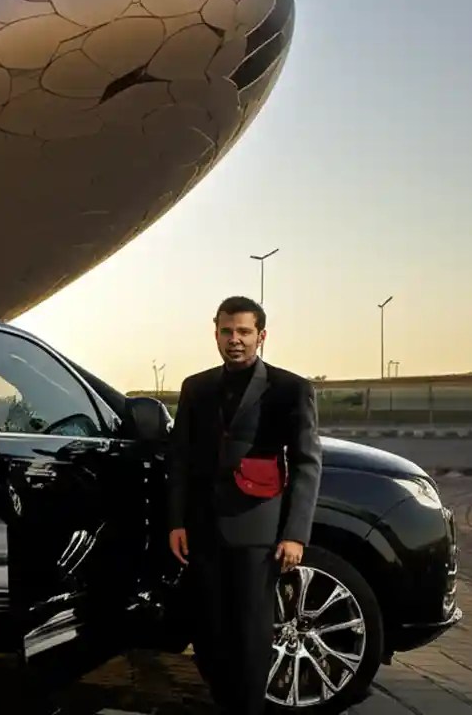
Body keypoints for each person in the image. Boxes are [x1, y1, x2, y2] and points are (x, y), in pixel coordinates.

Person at [167, 296, 322, 714]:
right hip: (202, 528)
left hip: (259, 529)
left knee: (252, 635)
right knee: (209, 632)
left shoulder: (290, 389)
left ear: (261, 336)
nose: (234, 340)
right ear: (215, 332)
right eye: (226, 331)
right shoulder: (195, 387)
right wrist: (176, 522)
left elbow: (307, 462)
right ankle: (225, 702)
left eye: (244, 332)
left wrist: (295, 534)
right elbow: (179, 458)